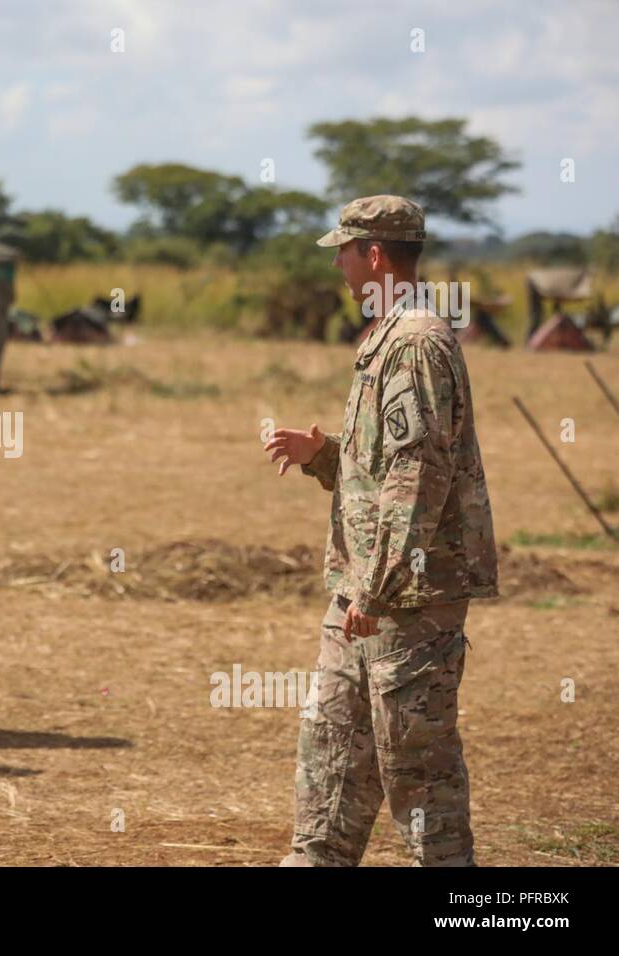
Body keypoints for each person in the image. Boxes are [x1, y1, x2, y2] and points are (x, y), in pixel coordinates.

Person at [263, 195, 498, 867]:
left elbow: (419, 476)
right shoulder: (386, 336)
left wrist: (377, 585)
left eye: (343, 249)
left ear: (373, 254)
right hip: (362, 595)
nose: (336, 261)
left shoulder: (417, 342)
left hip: (404, 603)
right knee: (332, 761)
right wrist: (326, 455)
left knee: (417, 776)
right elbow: (385, 466)